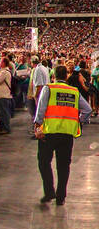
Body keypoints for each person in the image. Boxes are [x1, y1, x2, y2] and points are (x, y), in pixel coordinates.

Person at [37, 65, 81, 207]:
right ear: (67, 76)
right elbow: (86, 109)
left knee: (44, 162)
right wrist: (79, 121)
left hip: (49, 132)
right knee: (63, 166)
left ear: (54, 75)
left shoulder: (49, 88)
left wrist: (37, 125)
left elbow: (41, 108)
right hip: (67, 134)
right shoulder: (74, 91)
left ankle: (49, 191)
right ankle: (61, 197)